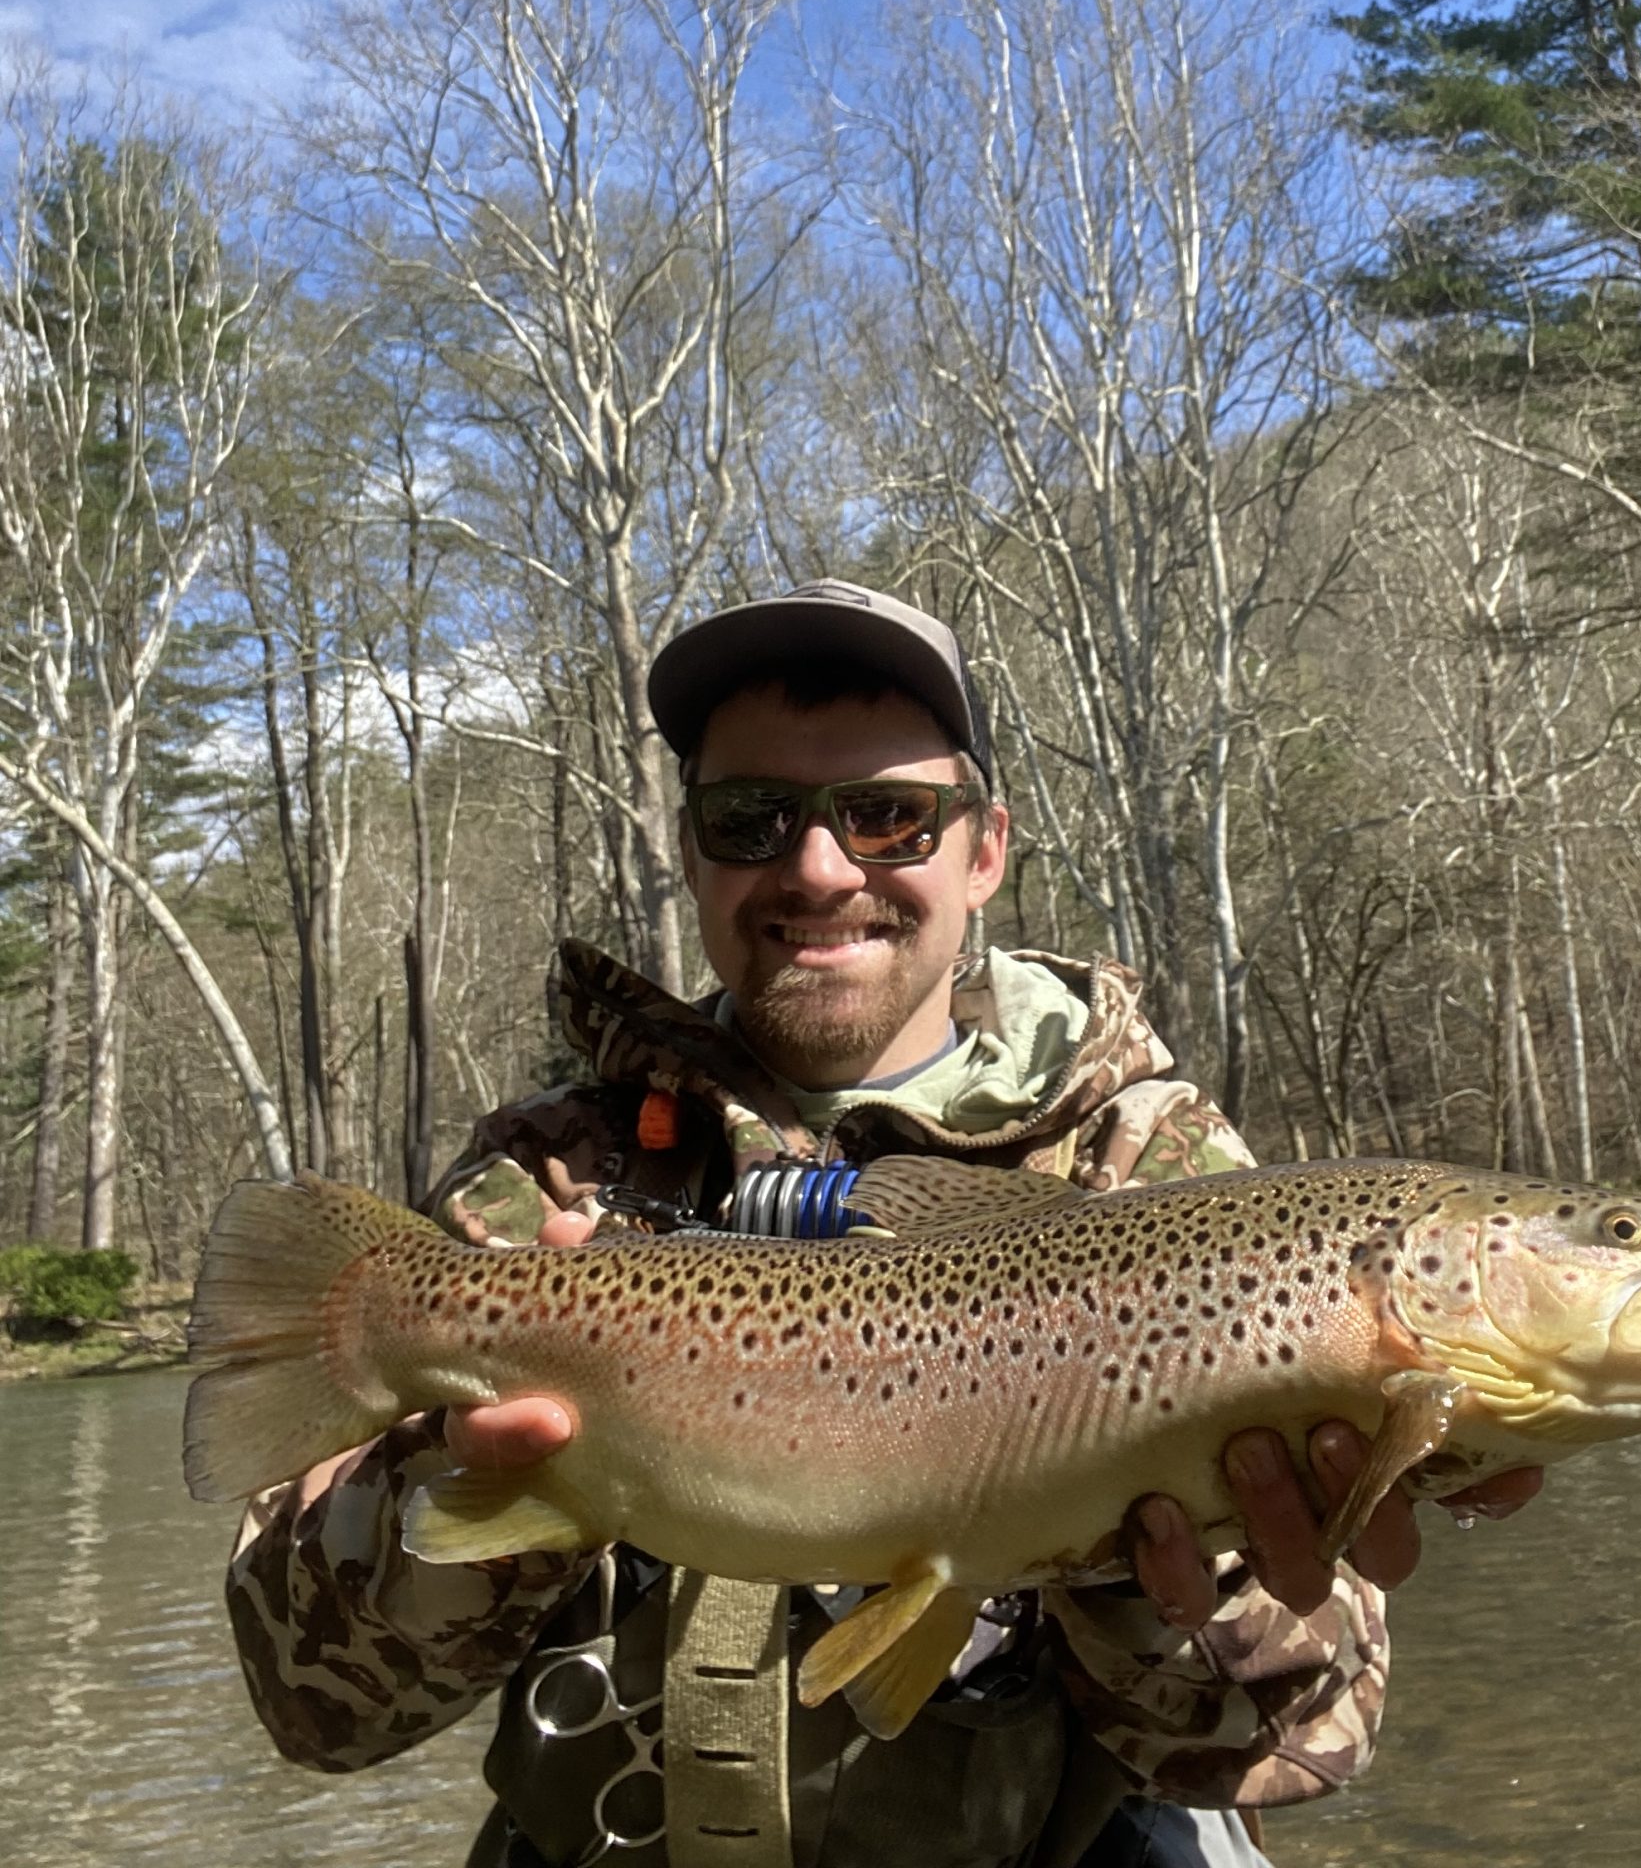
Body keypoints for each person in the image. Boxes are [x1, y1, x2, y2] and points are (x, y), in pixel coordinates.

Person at [224, 580, 1537, 1868]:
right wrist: (474, 1483)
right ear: (691, 851)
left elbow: (1310, 1743)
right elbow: (315, 1712)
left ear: (984, 851)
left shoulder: (1158, 1171)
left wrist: (1149, 1578)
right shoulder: (552, 1180)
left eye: (888, 815)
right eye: (752, 816)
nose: (817, 866)